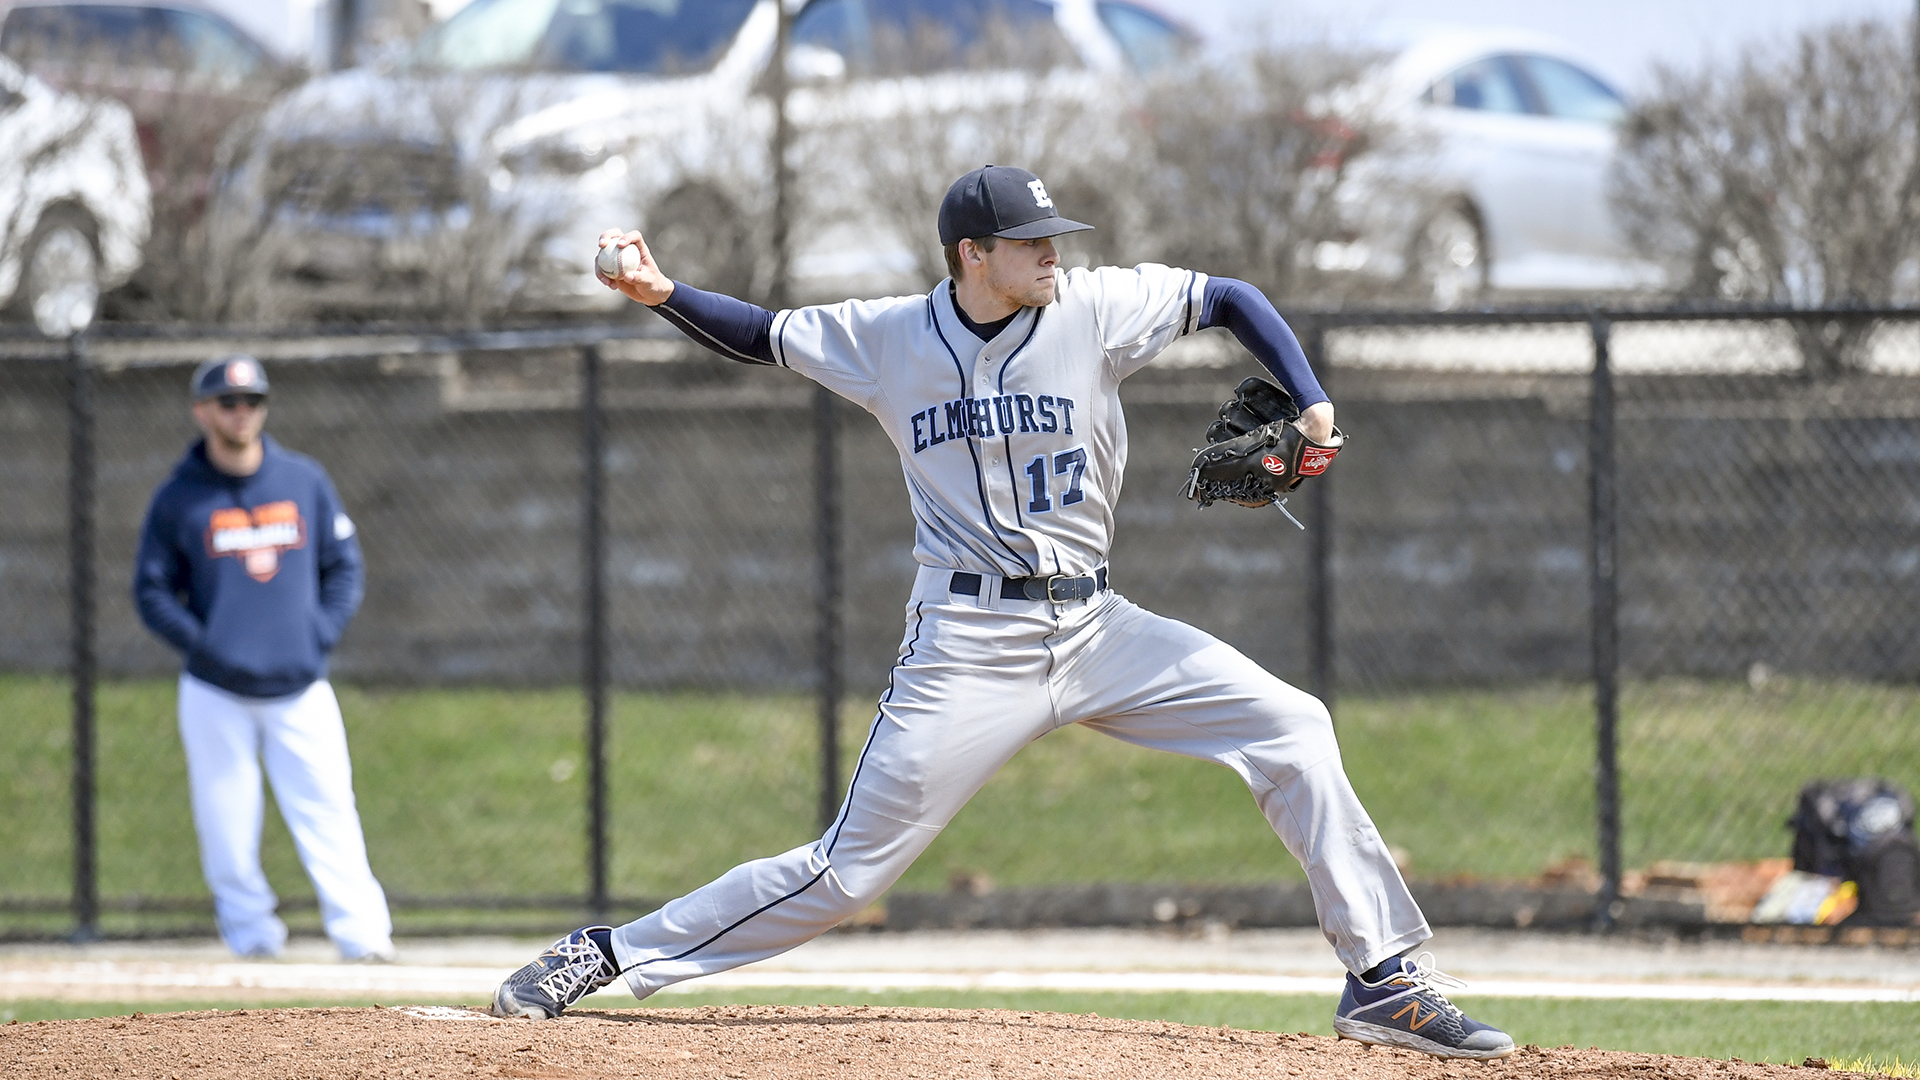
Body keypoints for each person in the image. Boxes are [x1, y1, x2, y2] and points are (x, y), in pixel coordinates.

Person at [492, 165, 1512, 1059]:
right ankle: (608, 953)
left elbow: (1229, 297)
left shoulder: (1095, 308)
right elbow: (762, 335)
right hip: (968, 644)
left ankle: (1383, 978)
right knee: (845, 875)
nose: (1052, 252)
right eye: (1030, 241)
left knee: (1293, 726)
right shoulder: (890, 337)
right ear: (972, 255)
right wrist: (661, 292)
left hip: (1100, 628)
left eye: (1053, 236)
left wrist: (1313, 400)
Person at [133, 355, 395, 962]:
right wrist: (207, 645)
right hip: (215, 690)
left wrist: (318, 633)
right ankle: (251, 936)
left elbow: (343, 567)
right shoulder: (179, 497)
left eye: (252, 401)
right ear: (202, 412)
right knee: (226, 821)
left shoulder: (303, 480)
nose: (241, 412)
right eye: (228, 402)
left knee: (330, 810)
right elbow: (151, 590)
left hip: (300, 685)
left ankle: (363, 938)